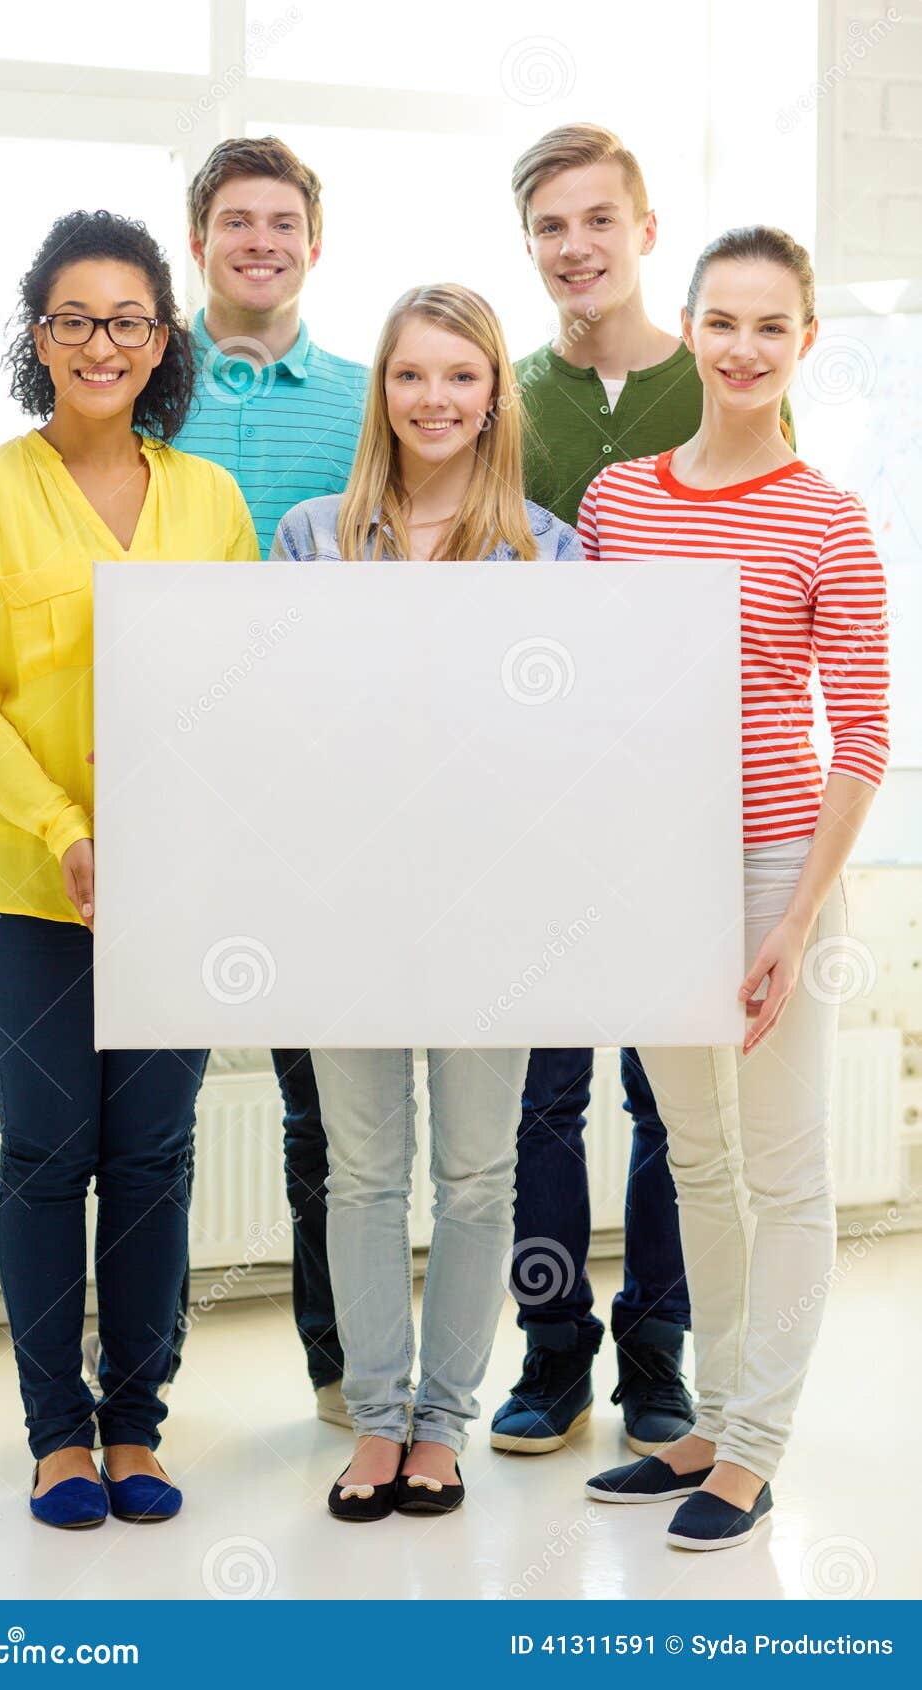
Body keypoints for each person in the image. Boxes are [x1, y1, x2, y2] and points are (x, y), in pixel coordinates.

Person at [0, 210, 259, 1530]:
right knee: (48, 1154)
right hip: (27, 892)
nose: (100, 342)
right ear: (38, 335)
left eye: (127, 319)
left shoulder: (209, 498)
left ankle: (137, 1425)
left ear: (161, 338)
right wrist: (65, 829)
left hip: (176, 890)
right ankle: (56, 1434)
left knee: (156, 1158)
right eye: (74, 318)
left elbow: (241, 686)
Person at [581, 226, 889, 1549]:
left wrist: (793, 915)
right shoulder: (615, 502)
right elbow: (584, 702)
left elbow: (860, 734)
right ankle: (707, 1419)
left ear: (801, 342)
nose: (743, 348)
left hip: (776, 869)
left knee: (781, 1167)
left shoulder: (827, 517)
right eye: (723, 321)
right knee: (693, 1156)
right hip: (652, 866)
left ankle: (752, 1449)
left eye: (771, 326)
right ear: (688, 328)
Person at [491, 124, 795, 1459]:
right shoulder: (506, 395)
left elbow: (784, 551)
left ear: (643, 229)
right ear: (530, 248)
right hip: (547, 808)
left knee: (673, 1109)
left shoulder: (721, 377)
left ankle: (654, 1361)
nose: (575, 249)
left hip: (688, 811)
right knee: (544, 1094)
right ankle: (550, 1350)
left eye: (596, 222)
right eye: (549, 229)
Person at [272, 283, 583, 1520]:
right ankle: (373, 1415)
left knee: (473, 1174)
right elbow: (284, 727)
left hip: (488, 909)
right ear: (382, 393)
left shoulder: (544, 550)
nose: (435, 399)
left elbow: (564, 740)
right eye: (412, 375)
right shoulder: (309, 537)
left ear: (493, 393)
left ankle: (440, 1423)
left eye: (461, 376)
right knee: (359, 1173)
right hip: (342, 902)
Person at [169, 136, 368, 1425]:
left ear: (312, 241)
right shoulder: (141, 377)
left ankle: (340, 1366)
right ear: (197, 242)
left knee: (320, 1109)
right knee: (148, 1107)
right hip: (163, 782)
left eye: (282, 222)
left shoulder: (365, 396)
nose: (260, 241)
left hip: (320, 797)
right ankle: (133, 1391)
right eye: (235, 221)